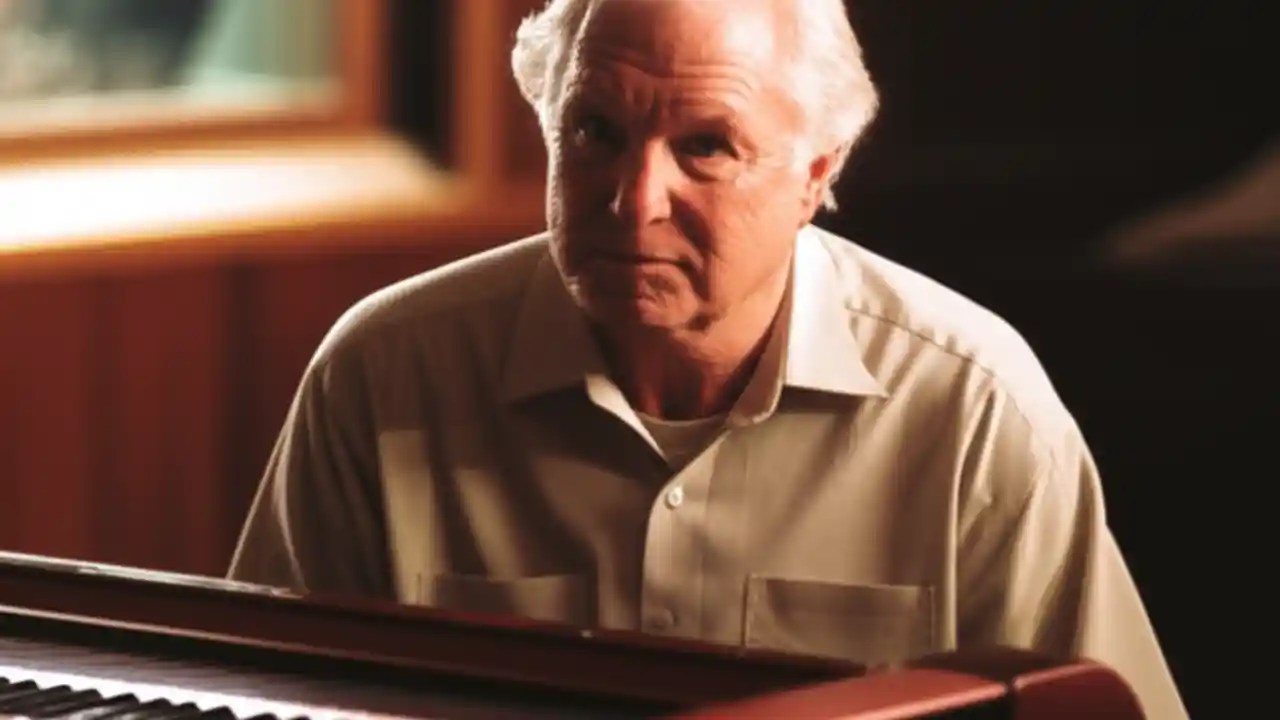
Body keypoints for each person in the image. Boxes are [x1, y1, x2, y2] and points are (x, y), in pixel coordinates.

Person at [228, 1, 1187, 717]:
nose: (633, 200)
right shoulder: (383, 375)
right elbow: (263, 699)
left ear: (818, 175)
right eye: (596, 133)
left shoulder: (975, 411)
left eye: (706, 148)